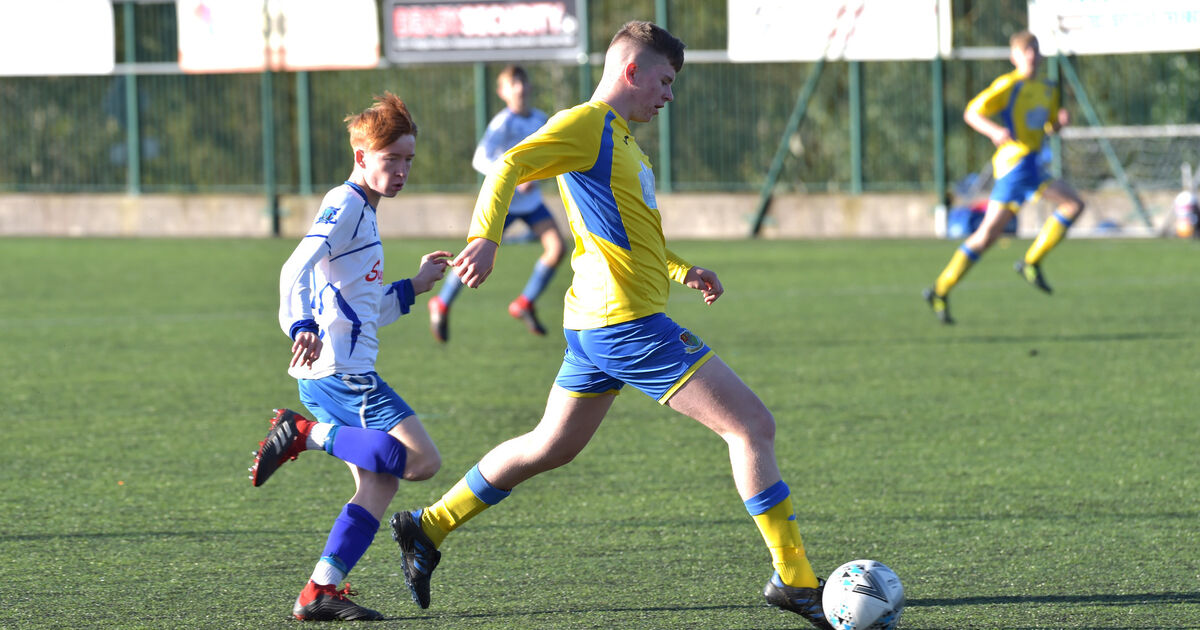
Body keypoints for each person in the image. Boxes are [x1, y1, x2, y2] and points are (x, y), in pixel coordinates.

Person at [389, 21, 833, 629]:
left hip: (603, 323)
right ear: (632, 71)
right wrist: (484, 239)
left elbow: (633, 233)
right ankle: (797, 580)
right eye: (665, 80)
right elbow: (507, 164)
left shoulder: (624, 139)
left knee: (550, 447)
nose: (669, 95)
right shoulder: (588, 125)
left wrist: (681, 270)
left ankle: (428, 525)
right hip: (626, 326)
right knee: (752, 426)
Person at [249, 92, 451, 621]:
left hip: (336, 369)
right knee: (422, 461)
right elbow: (293, 268)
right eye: (392, 159)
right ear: (361, 157)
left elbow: (361, 306)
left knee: (380, 483)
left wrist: (415, 286)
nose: (403, 170)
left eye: (409, 159)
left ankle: (320, 591)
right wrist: (300, 324)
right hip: (342, 373)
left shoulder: (363, 209)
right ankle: (303, 433)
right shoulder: (345, 205)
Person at [923, 30, 1085, 324]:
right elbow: (972, 112)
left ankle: (941, 289)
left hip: (1031, 166)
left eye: (1034, 49)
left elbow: (1049, 129)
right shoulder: (1009, 86)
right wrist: (994, 131)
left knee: (989, 235)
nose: (1032, 56)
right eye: (1025, 51)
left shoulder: (1048, 89)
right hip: (1015, 167)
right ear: (1014, 57)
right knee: (1066, 207)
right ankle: (1026, 263)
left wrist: (1059, 124)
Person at [428, 64, 565, 342]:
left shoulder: (540, 118)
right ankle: (441, 303)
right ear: (502, 92)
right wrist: (515, 177)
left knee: (557, 248)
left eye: (523, 81)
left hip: (531, 203)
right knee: (474, 261)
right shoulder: (503, 123)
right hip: (504, 203)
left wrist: (542, 171)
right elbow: (480, 159)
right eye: (513, 83)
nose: (521, 87)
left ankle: (524, 303)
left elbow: (551, 154)